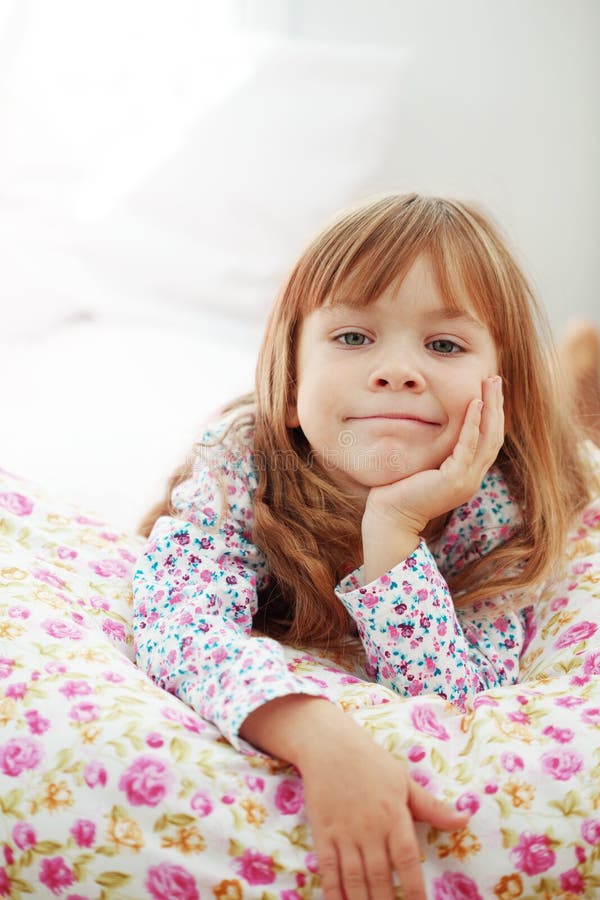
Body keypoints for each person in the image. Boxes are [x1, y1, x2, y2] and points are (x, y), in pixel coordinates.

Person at [133, 194, 596, 900]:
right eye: (353, 337)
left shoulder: (498, 509)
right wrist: (315, 733)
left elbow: (454, 706)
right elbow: (180, 620)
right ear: (290, 387)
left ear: (502, 389)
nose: (397, 371)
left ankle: (577, 363)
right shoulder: (245, 466)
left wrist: (395, 534)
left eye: (444, 345)